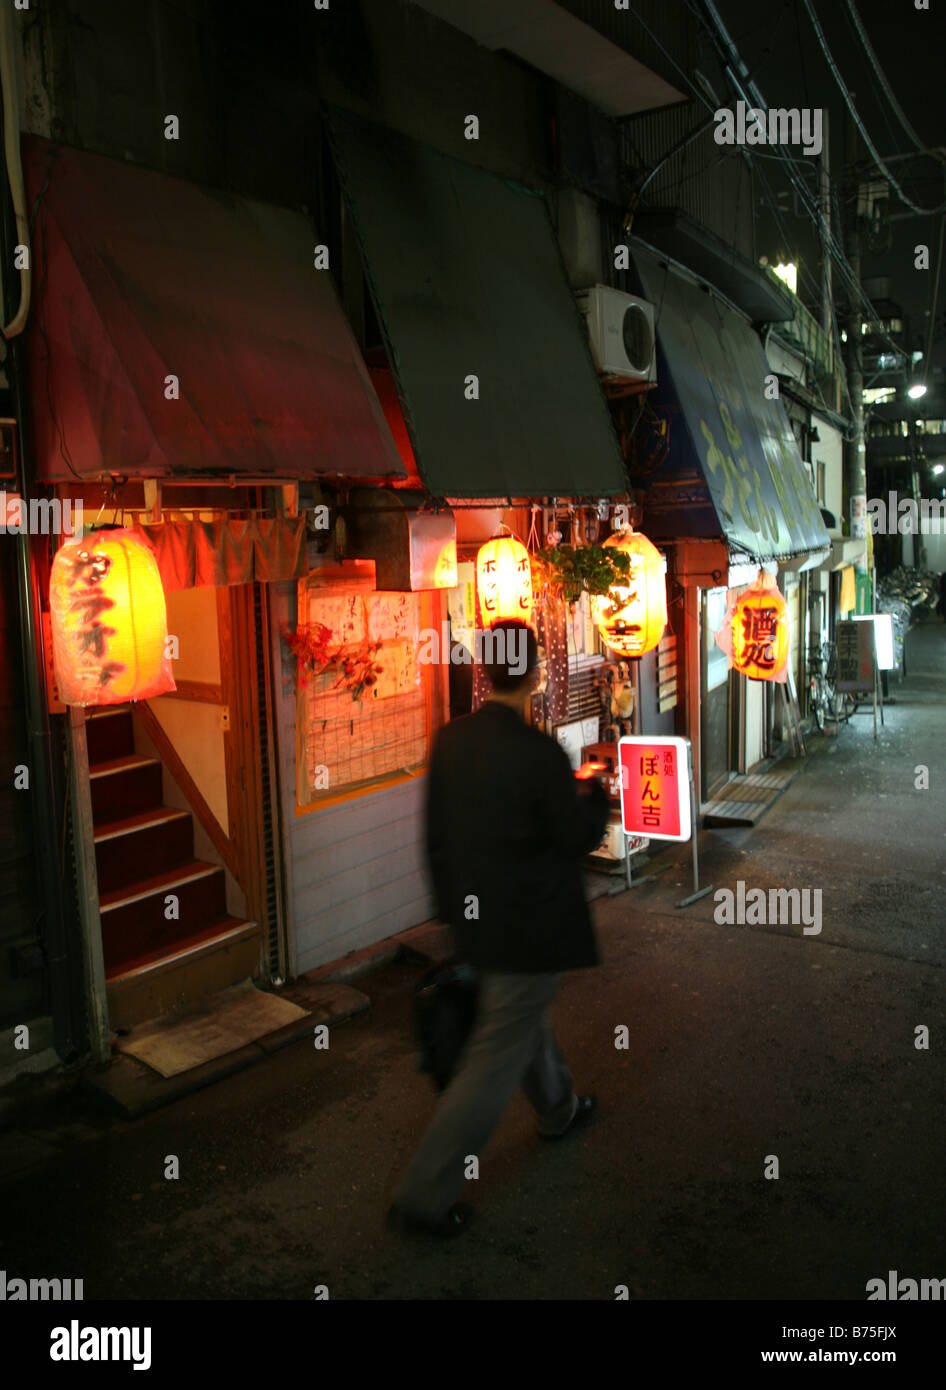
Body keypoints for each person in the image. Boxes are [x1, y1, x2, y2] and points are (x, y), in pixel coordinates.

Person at [388, 619, 611, 1238]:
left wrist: (452, 915)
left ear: (485, 672)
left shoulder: (452, 740)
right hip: (530, 930)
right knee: (492, 1063)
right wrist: (596, 795)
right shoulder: (539, 753)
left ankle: (559, 1110)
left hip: (476, 923)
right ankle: (423, 1199)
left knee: (519, 1021)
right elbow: (576, 837)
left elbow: (434, 836)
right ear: (537, 674)